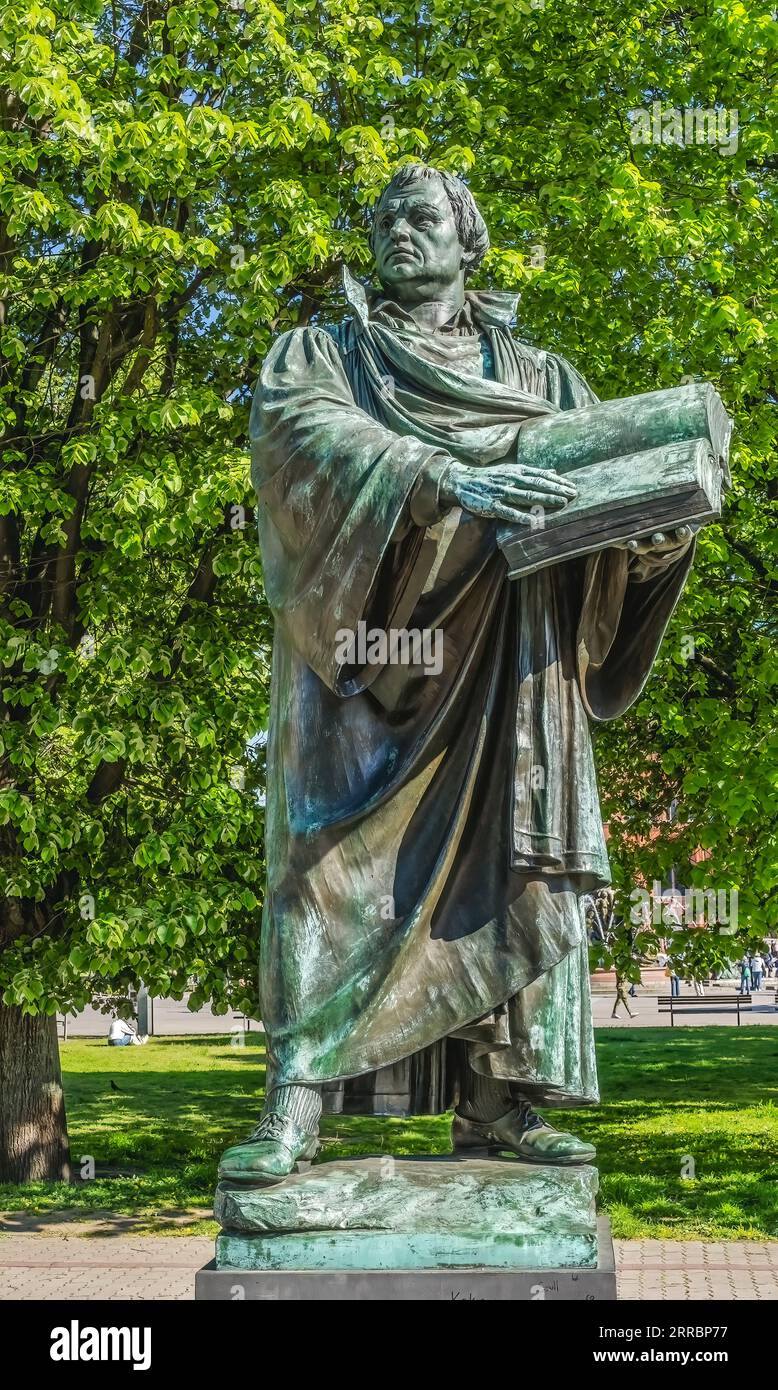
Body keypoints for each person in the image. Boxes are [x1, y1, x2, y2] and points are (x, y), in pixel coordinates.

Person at [218, 164, 697, 1185]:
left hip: (508, 667)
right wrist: (446, 478)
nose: (397, 227)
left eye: (421, 214)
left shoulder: (541, 379)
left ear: (467, 241)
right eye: (383, 214)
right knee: (322, 860)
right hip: (362, 662)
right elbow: (300, 444)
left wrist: (651, 541)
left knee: (508, 861)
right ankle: (292, 1098)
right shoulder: (325, 354)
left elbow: (601, 519)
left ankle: (505, 1102)